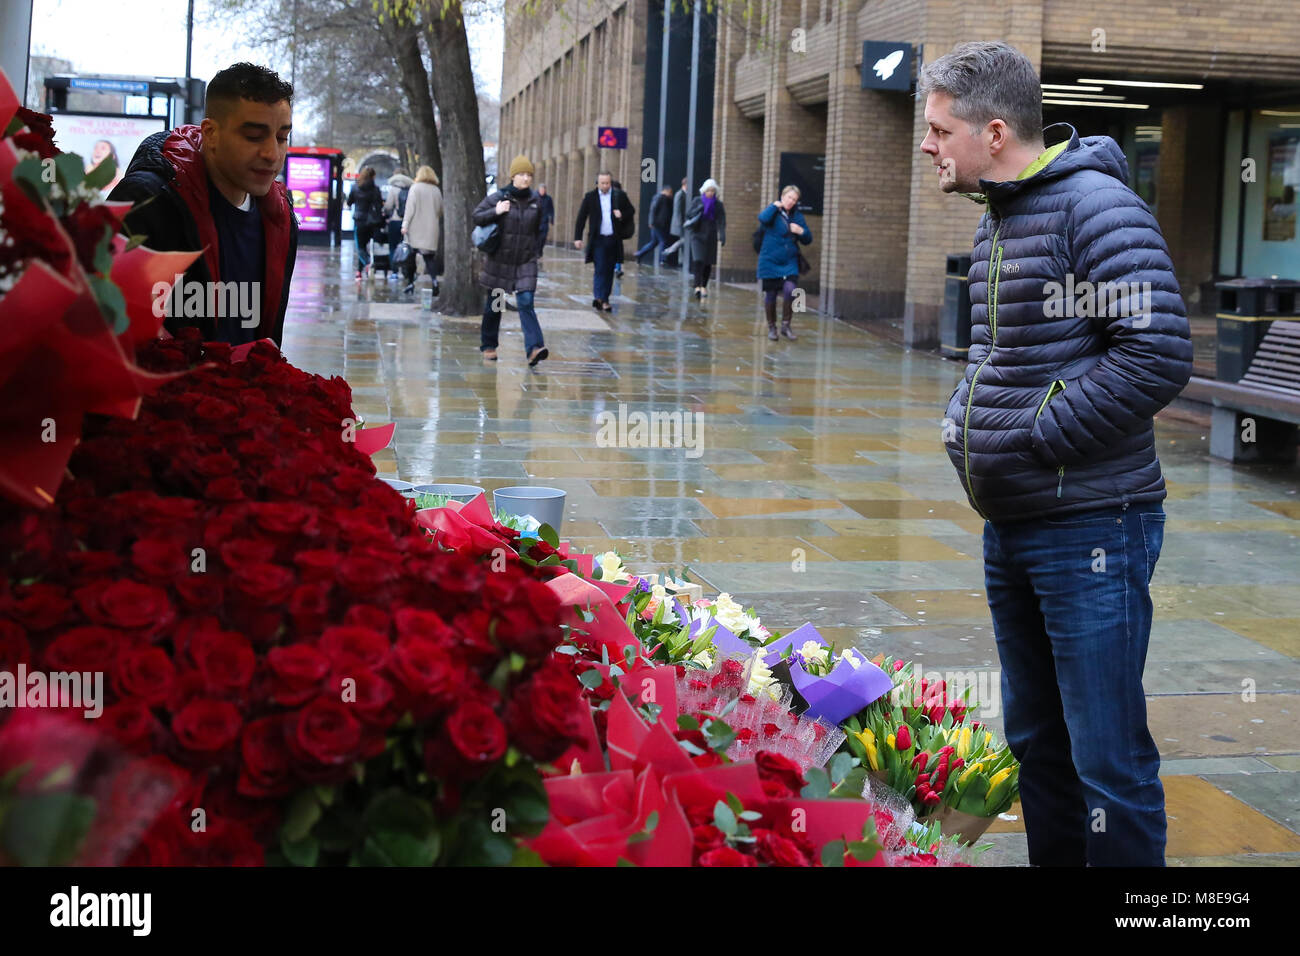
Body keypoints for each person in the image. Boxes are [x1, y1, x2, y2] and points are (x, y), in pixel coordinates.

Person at [920, 41, 1193, 867]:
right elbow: (1007, 355)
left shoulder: (1093, 208)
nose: (929, 146)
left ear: (994, 132)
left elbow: (1156, 352)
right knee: (1037, 742)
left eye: (939, 130)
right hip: (1017, 523)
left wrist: (1041, 436)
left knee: (1108, 760)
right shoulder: (1003, 212)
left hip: (1090, 530)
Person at [109, 61, 298, 347]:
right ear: (210, 133)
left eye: (282, 137)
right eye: (253, 136)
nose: (273, 153)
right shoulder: (146, 201)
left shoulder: (279, 218)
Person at [473, 154, 548, 366]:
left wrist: (535, 251)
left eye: (529, 175)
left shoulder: (536, 201)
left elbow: (540, 229)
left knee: (526, 301)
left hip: (525, 261)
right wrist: (496, 211)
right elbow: (477, 216)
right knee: (495, 305)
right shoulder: (500, 197)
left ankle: (534, 348)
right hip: (500, 262)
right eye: (521, 174)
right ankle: (489, 346)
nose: (526, 179)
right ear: (513, 176)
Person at [756, 185, 813, 340]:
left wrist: (800, 231)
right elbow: (762, 218)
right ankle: (772, 327)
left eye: (794, 200)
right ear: (782, 196)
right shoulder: (773, 212)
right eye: (789, 198)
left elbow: (808, 239)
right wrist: (774, 206)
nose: (791, 202)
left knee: (791, 289)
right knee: (771, 294)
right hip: (770, 260)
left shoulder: (797, 216)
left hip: (789, 261)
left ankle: (786, 325)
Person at [573, 171, 635, 311]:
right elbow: (581, 217)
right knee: (600, 268)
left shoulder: (619, 196)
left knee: (609, 270)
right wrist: (577, 237)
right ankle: (599, 297)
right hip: (598, 239)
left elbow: (631, 210)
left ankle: (605, 298)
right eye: (603, 183)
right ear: (597, 183)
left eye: (608, 183)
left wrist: (622, 214)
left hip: (613, 239)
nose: (605, 186)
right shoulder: (590, 197)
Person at [400, 165, 442, 296]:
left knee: (411, 257)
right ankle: (435, 282)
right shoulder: (436, 190)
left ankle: (410, 283)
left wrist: (405, 225)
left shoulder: (415, 188)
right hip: (431, 228)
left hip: (416, 228)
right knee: (429, 258)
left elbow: (410, 208)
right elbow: (440, 210)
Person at [683, 178, 725, 299]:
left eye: (712, 190)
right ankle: (697, 286)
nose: (710, 193)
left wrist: (722, 234)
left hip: (711, 234)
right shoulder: (697, 201)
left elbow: (722, 220)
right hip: (697, 234)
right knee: (698, 260)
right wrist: (699, 209)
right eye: (708, 190)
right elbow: (688, 214)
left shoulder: (718, 205)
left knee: (708, 262)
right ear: (704, 191)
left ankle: (704, 286)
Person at [347, 166, 385, 280]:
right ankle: (359, 270)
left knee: (360, 247)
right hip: (372, 222)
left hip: (359, 221)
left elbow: (349, 202)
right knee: (366, 247)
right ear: (373, 176)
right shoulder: (375, 189)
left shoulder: (355, 188)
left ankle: (368, 263)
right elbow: (379, 205)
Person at [383, 168, 413, 273]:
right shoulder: (411, 189)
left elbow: (388, 206)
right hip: (408, 222)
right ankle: (406, 270)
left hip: (395, 221)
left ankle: (394, 271)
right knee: (407, 246)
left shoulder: (393, 189)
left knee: (393, 247)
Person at [635, 185, 674, 265]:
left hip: (658, 224)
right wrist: (651, 222)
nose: (671, 194)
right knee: (663, 241)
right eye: (670, 192)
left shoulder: (665, 199)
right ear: (666, 191)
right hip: (657, 224)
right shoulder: (659, 198)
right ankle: (662, 259)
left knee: (654, 242)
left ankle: (640, 254)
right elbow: (653, 210)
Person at [665, 177, 688, 266]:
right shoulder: (680, 194)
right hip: (680, 223)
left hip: (683, 222)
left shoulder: (685, 194)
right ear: (685, 184)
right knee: (684, 240)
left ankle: (681, 261)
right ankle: (669, 250)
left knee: (684, 241)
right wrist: (680, 223)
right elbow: (677, 210)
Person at [536, 182, 555, 259]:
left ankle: (540, 250)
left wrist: (552, 218)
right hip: (536, 222)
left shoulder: (548, 198)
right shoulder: (535, 197)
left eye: (544, 190)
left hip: (545, 221)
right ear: (539, 190)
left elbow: (551, 209)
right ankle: (536, 251)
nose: (542, 191)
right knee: (537, 238)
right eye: (541, 190)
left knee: (543, 238)